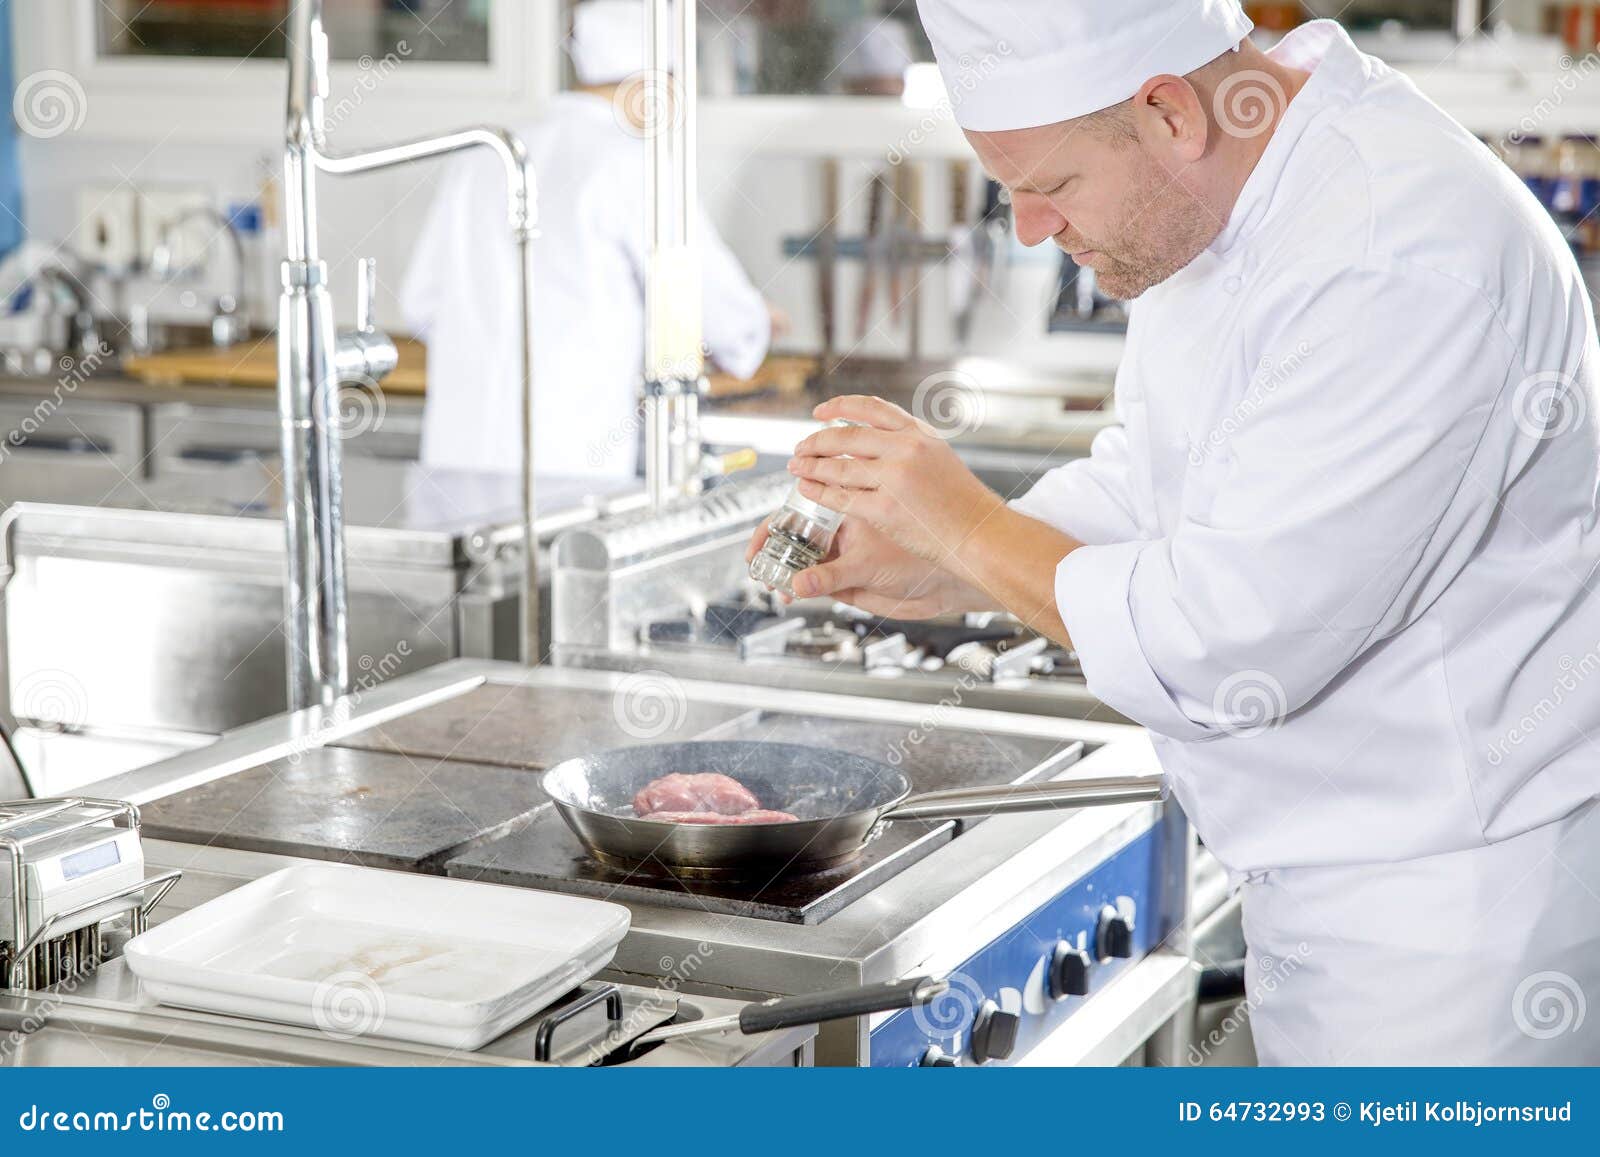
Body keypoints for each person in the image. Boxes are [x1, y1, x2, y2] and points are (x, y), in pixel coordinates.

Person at [760, 0, 1600, 1065]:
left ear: (1168, 113)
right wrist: (939, 559)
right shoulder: (1227, 204)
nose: (1028, 228)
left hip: (1458, 931)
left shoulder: (1397, 252)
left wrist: (967, 527)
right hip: (1334, 893)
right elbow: (1165, 488)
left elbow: (1234, 635)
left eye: (1048, 186)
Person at [401, 0, 772, 478]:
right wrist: (758, 322)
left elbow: (420, 304)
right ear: (659, 81)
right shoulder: (633, 165)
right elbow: (733, 329)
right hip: (568, 475)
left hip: (454, 464)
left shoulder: (482, 156)